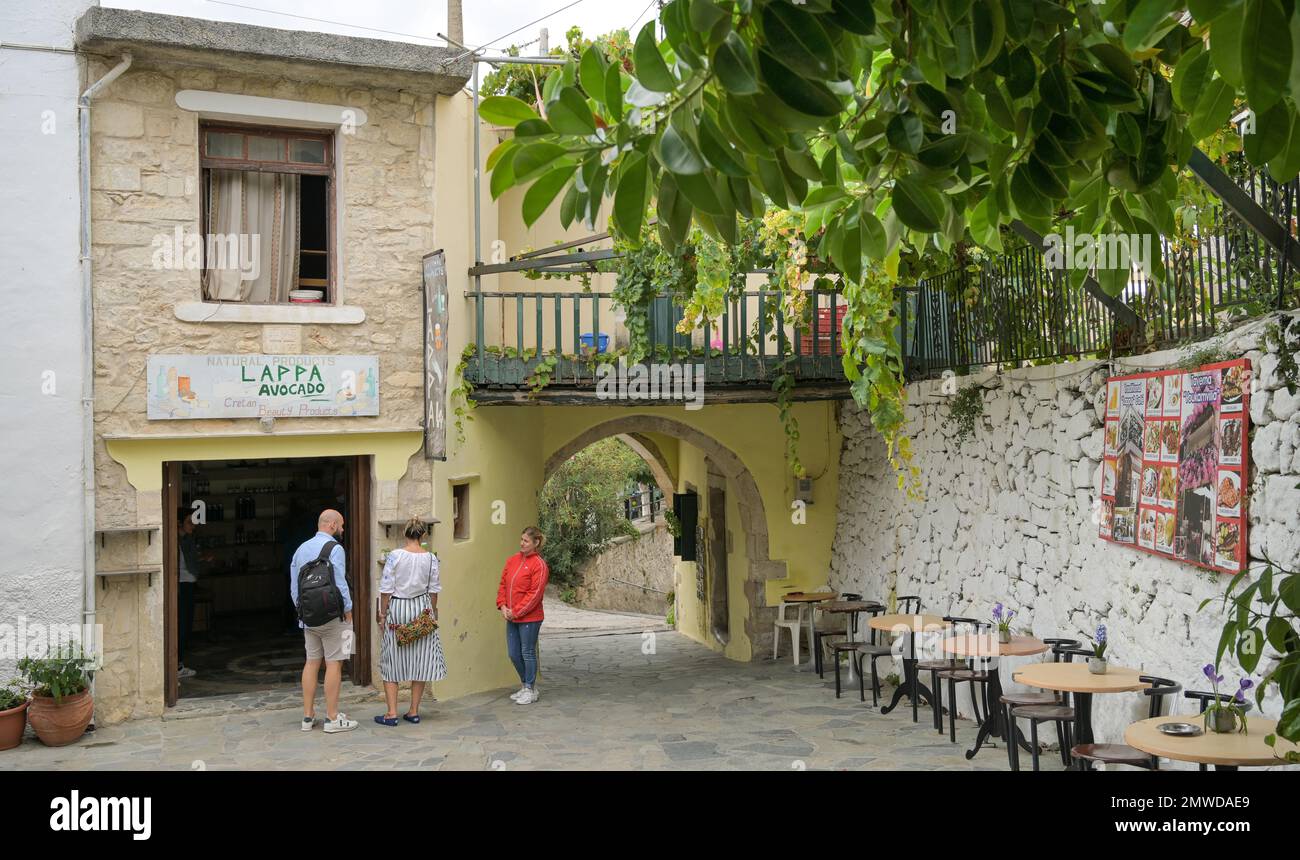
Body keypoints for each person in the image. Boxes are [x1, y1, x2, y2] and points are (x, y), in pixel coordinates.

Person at [374, 518, 447, 726]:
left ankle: (391, 713)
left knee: (392, 659)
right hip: (421, 609)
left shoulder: (395, 556)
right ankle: (413, 711)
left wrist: (382, 614)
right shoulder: (431, 559)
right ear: (423, 535)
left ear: (405, 534)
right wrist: (433, 612)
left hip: (398, 608)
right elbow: (434, 590)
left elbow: (386, 588)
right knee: (420, 659)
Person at [290, 509, 357, 734]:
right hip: (332, 616)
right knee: (334, 663)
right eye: (341, 525)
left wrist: (302, 611)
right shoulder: (335, 549)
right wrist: (348, 610)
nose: (343, 530)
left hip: (308, 617)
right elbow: (339, 582)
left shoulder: (300, 549)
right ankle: (332, 717)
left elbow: (294, 586)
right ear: (331, 524)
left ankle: (308, 717)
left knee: (311, 662)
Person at [495, 526, 549, 705]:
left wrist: (516, 612)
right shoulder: (512, 561)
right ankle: (526, 685)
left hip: (530, 618)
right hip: (511, 616)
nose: (522, 543)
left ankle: (529, 688)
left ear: (536, 543)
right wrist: (503, 606)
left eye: (526, 541)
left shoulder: (539, 565)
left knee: (527, 652)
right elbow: (503, 584)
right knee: (513, 653)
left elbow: (534, 594)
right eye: (521, 539)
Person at [176, 507, 202, 679]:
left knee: (185, 624)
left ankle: (178, 663)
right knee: (182, 625)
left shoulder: (186, 539)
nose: (193, 526)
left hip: (188, 583)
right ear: (179, 524)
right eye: (189, 522)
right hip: (183, 584)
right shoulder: (181, 541)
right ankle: (177, 665)